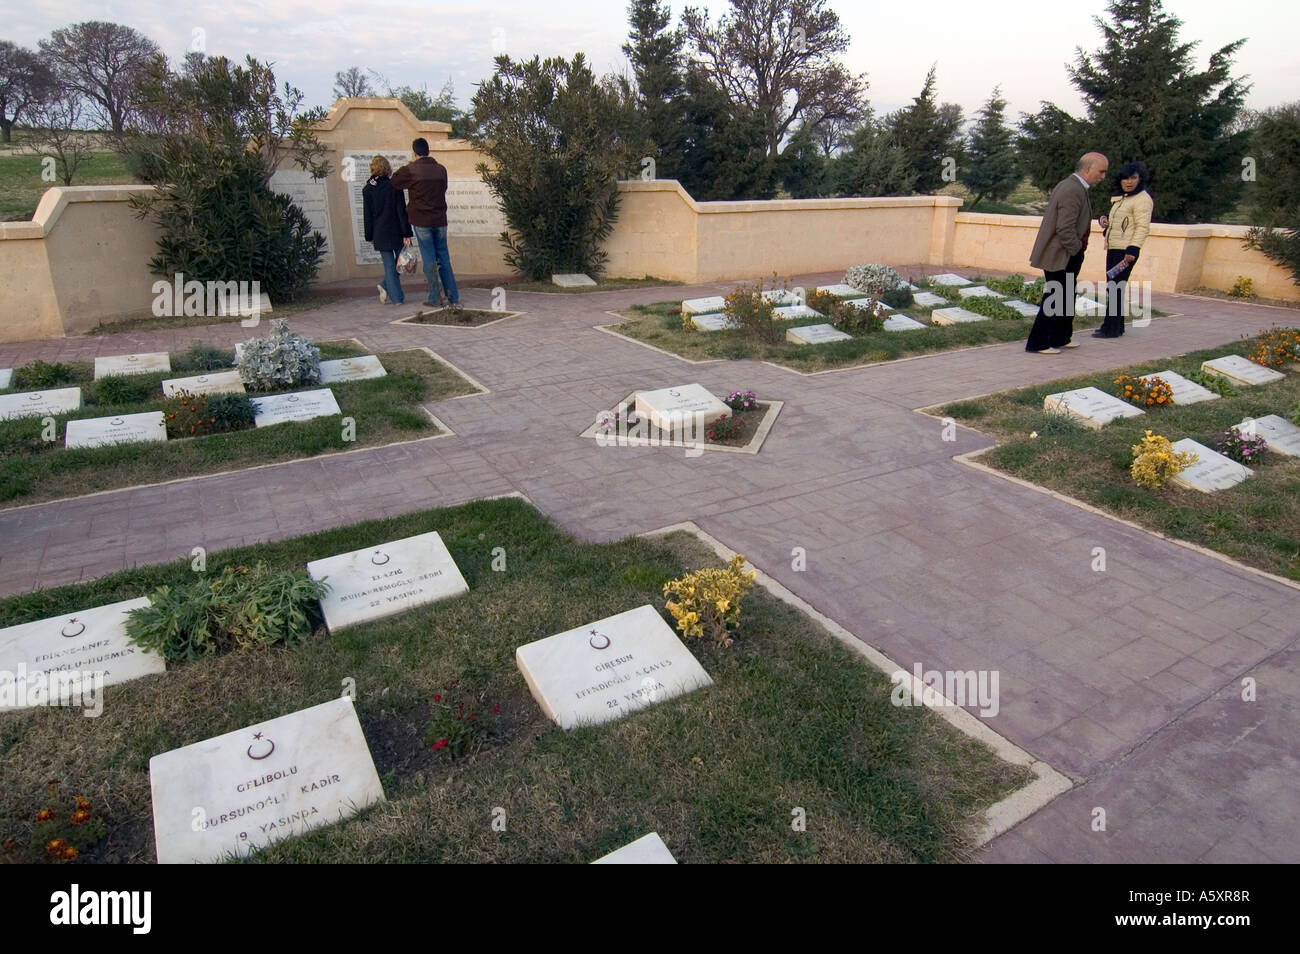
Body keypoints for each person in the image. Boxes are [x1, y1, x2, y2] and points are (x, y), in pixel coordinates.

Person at [1025, 152, 1109, 354]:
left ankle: (1060, 337)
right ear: (1088, 168)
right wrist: (1076, 250)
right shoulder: (1072, 189)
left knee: (1066, 296)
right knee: (1055, 297)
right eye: (1101, 171)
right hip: (1061, 255)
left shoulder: (1076, 187)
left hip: (1066, 253)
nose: (1103, 176)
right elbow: (1065, 228)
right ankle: (1039, 343)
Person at [391, 138, 460, 308]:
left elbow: (395, 182)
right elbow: (443, 189)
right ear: (428, 151)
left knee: (429, 258)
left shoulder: (411, 170)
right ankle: (452, 295)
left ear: (414, 152)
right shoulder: (441, 169)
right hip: (440, 219)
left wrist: (406, 165)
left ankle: (434, 297)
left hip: (422, 220)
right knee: (443, 256)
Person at [1094, 161, 1153, 338]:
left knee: (1115, 288)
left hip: (1125, 251)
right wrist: (1105, 221)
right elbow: (1122, 223)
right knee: (1114, 287)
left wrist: (1133, 249)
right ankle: (1116, 326)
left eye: (1133, 178)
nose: (1129, 182)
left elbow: (1142, 227)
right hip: (1114, 247)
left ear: (1140, 178)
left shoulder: (1142, 199)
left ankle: (1110, 328)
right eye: (1125, 178)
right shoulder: (1123, 198)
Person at [362, 156, 411, 305]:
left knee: (391, 265)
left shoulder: (368, 189)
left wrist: (369, 235)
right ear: (387, 168)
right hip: (396, 230)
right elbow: (401, 211)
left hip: (380, 232)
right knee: (400, 263)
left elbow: (367, 215)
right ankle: (397, 297)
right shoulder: (394, 186)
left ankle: (386, 286)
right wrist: (406, 233)